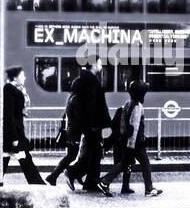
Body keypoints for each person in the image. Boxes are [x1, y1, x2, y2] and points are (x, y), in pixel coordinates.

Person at [95, 80, 162, 197]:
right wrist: (131, 145)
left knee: (124, 164)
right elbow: (134, 127)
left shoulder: (127, 103)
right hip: (136, 143)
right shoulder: (137, 107)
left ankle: (105, 181)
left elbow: (123, 125)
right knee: (145, 164)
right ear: (141, 93)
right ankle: (149, 189)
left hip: (128, 140)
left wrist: (124, 138)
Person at [66, 59, 111, 192]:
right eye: (99, 63)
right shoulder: (91, 82)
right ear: (94, 65)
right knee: (95, 152)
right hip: (92, 124)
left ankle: (90, 181)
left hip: (89, 124)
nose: (101, 66)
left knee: (94, 153)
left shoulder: (84, 80)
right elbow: (91, 106)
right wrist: (94, 124)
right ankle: (74, 173)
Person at [2, 65, 47, 185]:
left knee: (4, 161)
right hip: (13, 134)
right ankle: (38, 184)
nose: (24, 78)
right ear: (15, 77)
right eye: (22, 75)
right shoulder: (9, 89)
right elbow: (9, 115)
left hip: (15, 132)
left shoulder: (17, 89)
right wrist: (14, 138)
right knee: (25, 160)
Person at [45, 92, 82, 187]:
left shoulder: (71, 98)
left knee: (71, 156)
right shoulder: (76, 99)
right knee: (71, 156)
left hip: (71, 132)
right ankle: (54, 175)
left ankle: (54, 176)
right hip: (75, 133)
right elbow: (79, 117)